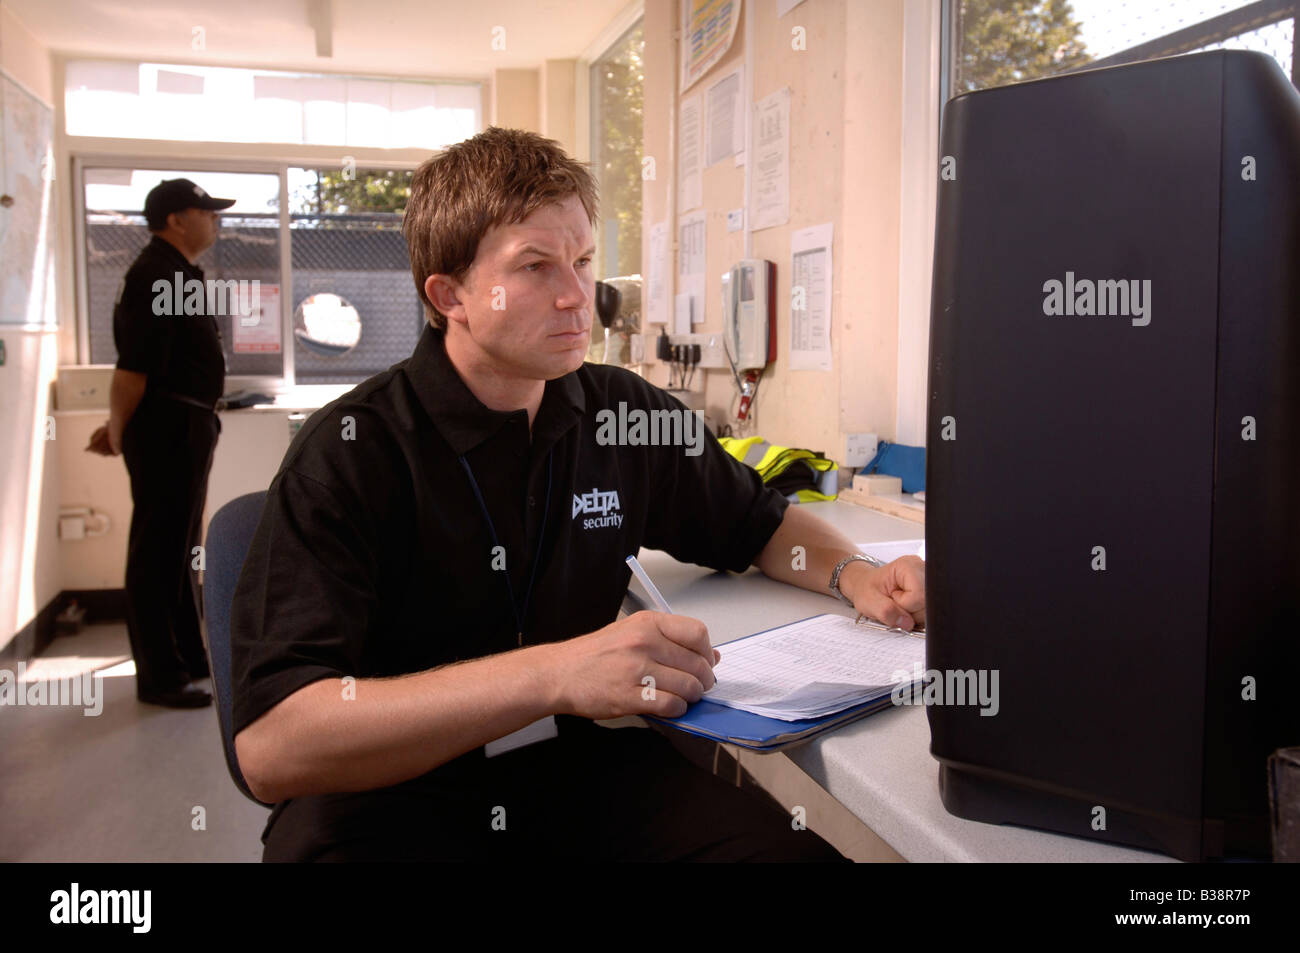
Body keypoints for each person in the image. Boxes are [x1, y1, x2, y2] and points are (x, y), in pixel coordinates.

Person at [230, 127, 926, 861]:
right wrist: (555, 673)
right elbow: (275, 744)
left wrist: (859, 574)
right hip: (388, 793)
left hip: (571, 769)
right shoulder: (352, 453)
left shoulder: (621, 411)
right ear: (449, 293)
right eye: (535, 266)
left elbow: (758, 521)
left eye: (584, 260)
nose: (578, 297)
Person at [87, 178, 235, 708]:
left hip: (187, 425)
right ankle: (159, 677)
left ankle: (188, 657)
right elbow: (134, 369)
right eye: (207, 211)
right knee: (158, 551)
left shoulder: (176, 273)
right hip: (168, 428)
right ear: (177, 219)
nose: (216, 220)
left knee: (178, 548)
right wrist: (118, 429)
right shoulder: (153, 276)